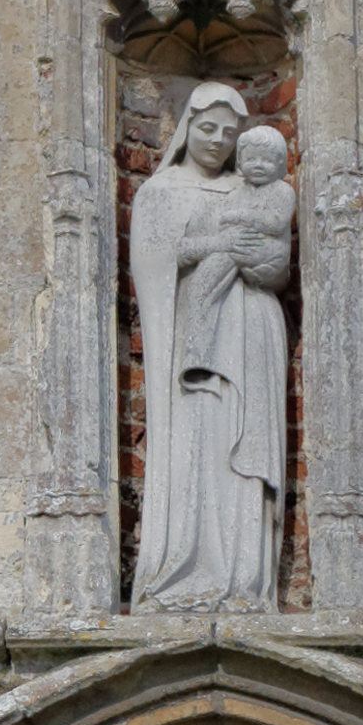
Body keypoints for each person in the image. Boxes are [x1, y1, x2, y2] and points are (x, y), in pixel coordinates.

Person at [129, 86, 292, 608]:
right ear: (186, 128)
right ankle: (188, 566)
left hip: (254, 329)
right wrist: (217, 246)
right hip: (194, 341)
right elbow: (154, 264)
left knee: (246, 447)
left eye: (229, 133)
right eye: (208, 129)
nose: (219, 141)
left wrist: (264, 264)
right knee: (198, 442)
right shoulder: (161, 192)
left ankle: (244, 576)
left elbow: (279, 264)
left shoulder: (257, 192)